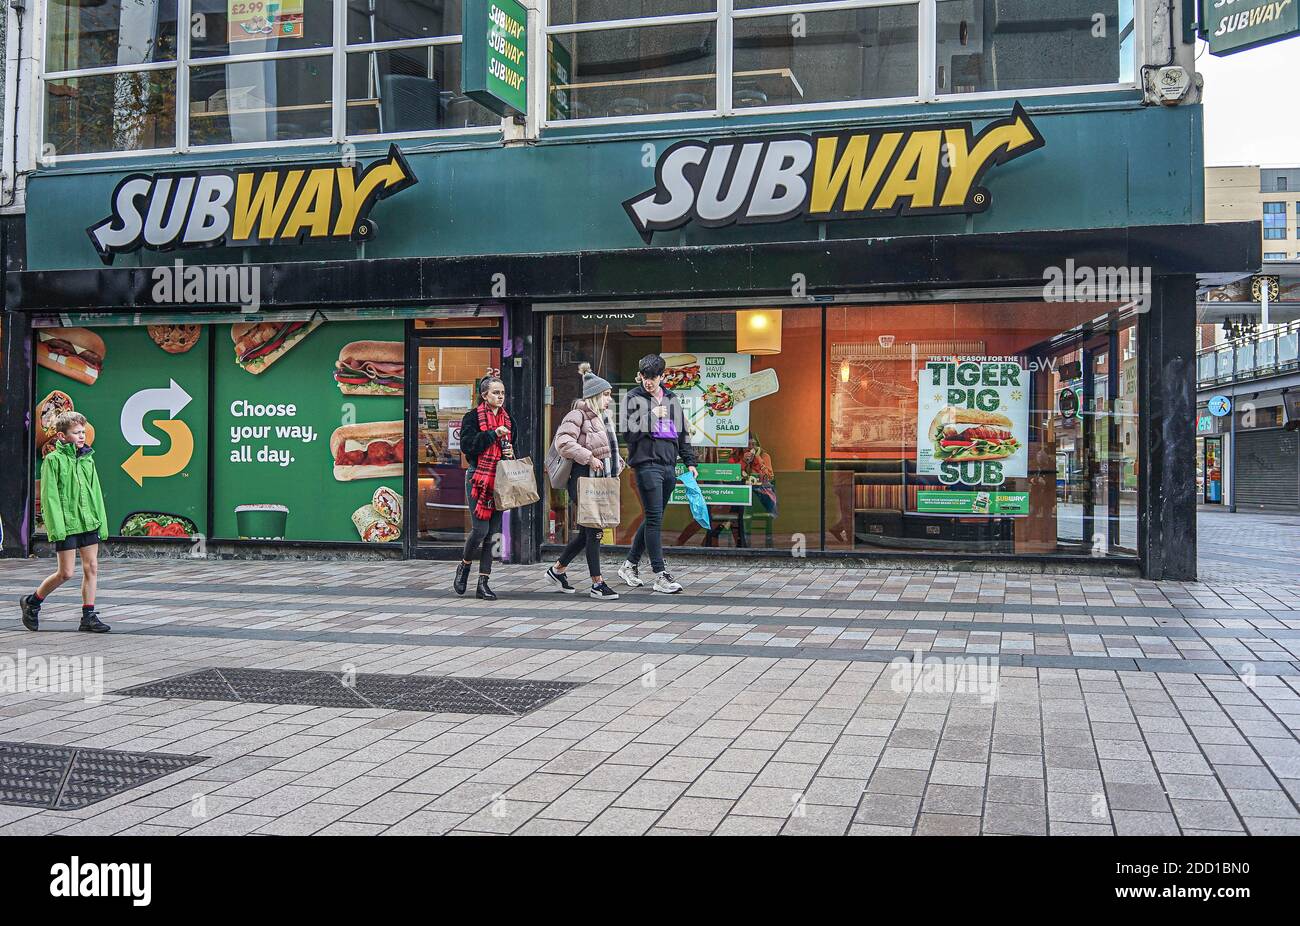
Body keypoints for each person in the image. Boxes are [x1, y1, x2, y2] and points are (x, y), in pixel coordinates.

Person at [20, 412, 111, 633]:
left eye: (83, 432)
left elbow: (95, 492)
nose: (81, 436)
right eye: (76, 433)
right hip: (67, 524)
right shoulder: (53, 460)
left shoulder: (88, 458)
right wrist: (57, 528)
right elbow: (50, 497)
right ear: (62, 435)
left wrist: (102, 522)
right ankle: (32, 602)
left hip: (89, 521)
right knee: (66, 573)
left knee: (92, 567)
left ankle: (88, 616)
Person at [618, 353, 697, 593]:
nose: (648, 382)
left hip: (668, 466)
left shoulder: (671, 399)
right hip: (646, 464)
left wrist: (690, 461)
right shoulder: (633, 397)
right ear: (640, 375)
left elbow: (682, 432)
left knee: (653, 518)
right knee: (654, 519)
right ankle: (660, 574)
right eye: (645, 377)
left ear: (662, 376)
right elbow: (628, 433)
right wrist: (652, 415)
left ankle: (629, 564)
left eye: (653, 377)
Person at [546, 363, 623, 600]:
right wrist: (589, 457)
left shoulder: (604, 418)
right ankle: (597, 583)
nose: (609, 399)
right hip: (583, 478)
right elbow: (563, 442)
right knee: (595, 530)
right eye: (606, 395)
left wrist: (617, 462)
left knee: (586, 532)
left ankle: (557, 569)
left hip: (600, 479)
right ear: (594, 396)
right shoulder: (577, 415)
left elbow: (609, 447)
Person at [455, 375, 514, 600]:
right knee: (480, 530)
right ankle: (464, 565)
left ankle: (483, 582)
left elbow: (513, 445)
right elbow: (467, 446)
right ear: (484, 395)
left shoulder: (509, 420)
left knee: (492, 533)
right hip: (478, 477)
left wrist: (510, 452)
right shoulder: (472, 418)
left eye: (502, 393)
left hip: (500, 479)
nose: (500, 397)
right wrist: (492, 434)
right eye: (496, 393)